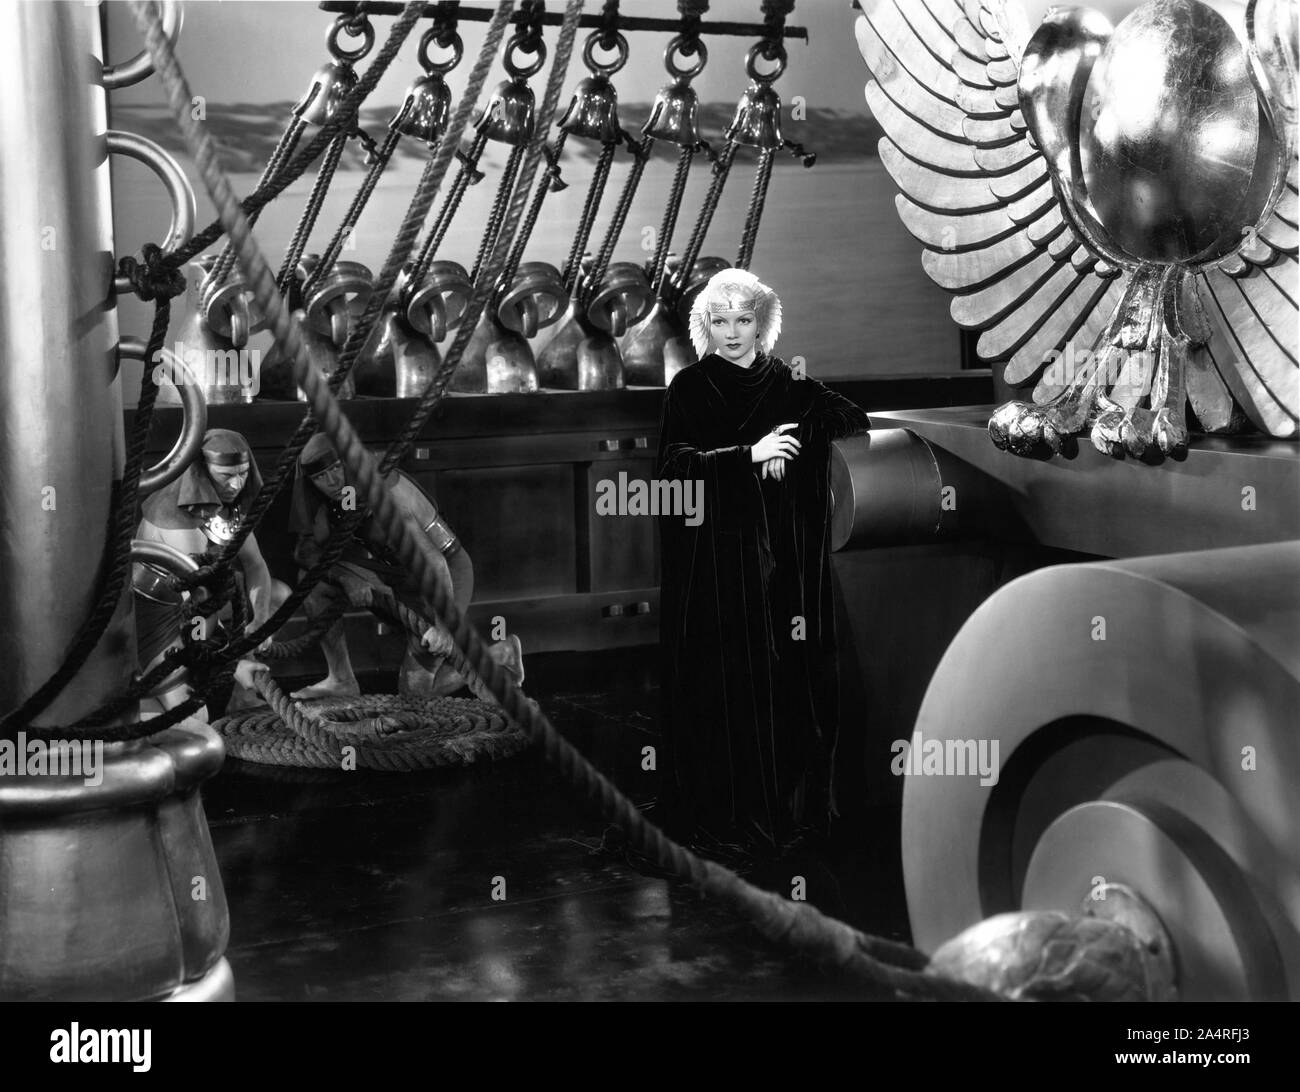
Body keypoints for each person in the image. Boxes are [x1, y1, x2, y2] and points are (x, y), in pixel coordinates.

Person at [656, 268, 870, 853]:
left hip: (783, 566)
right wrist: (748, 456)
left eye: (743, 320)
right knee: (727, 687)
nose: (732, 333)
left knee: (785, 683)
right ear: (705, 325)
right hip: (719, 566)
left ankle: (787, 809)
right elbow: (674, 471)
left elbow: (849, 417)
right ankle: (728, 811)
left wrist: (790, 449)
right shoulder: (690, 388)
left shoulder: (788, 382)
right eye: (720, 321)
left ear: (762, 323)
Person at [288, 434, 522, 700]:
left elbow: (436, 563)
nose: (330, 482)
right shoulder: (320, 490)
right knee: (314, 582)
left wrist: (444, 630)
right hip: (396, 571)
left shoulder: (388, 496)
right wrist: (346, 578)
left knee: (413, 695)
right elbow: (305, 551)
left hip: (446, 574)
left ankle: (498, 655)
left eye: (335, 470)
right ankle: (341, 680)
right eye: (320, 477)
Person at [134, 428, 286, 717]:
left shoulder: (227, 505)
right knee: (194, 719)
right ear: (202, 471)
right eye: (226, 475)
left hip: (203, 610)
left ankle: (239, 697)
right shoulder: (176, 516)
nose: (237, 483)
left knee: (278, 595)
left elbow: (256, 565)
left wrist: (261, 620)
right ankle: (136, 704)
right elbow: (198, 606)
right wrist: (233, 663)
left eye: (242, 473)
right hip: (158, 621)